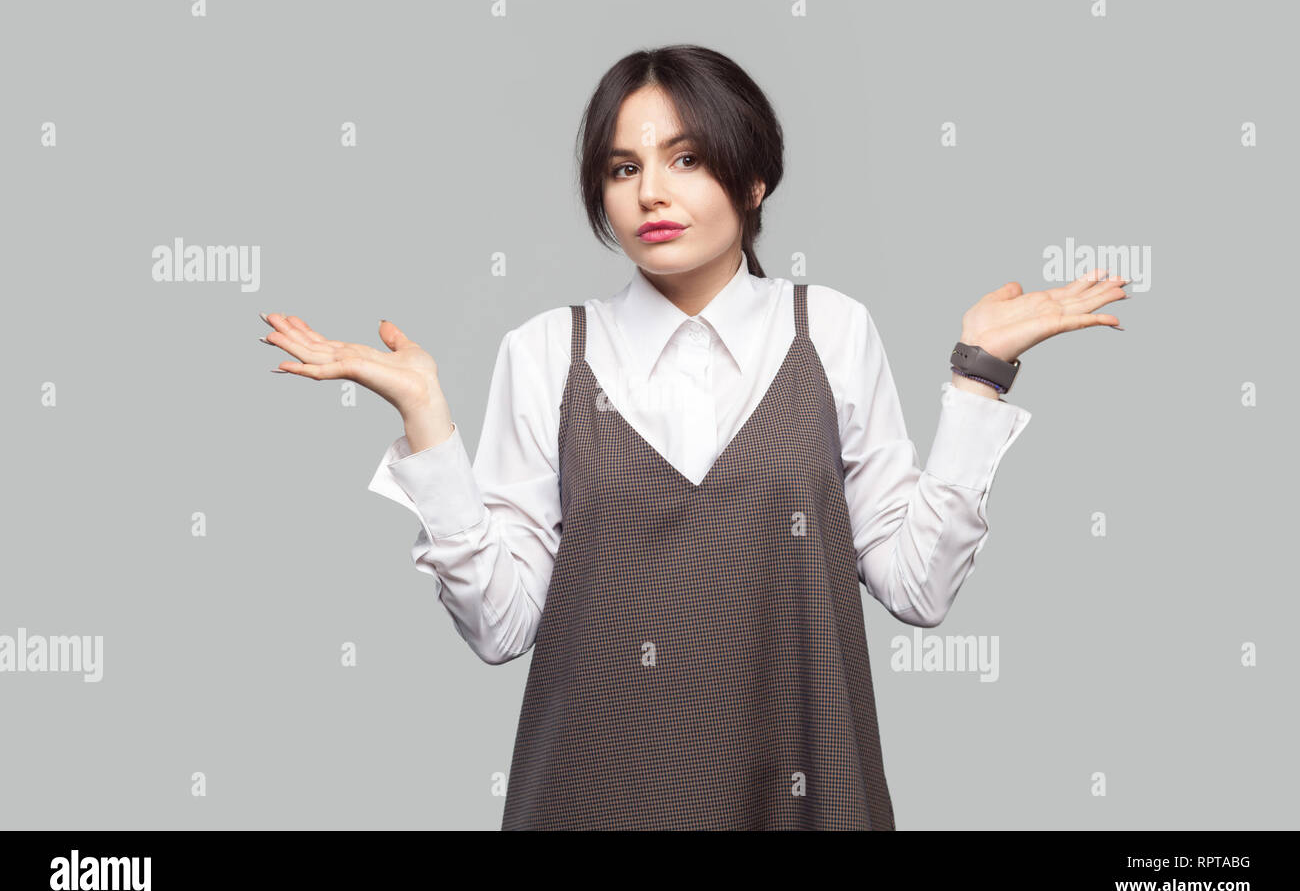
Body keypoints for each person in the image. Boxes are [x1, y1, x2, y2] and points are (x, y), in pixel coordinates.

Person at [259, 45, 1128, 830]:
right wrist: (429, 430)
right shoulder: (546, 352)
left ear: (753, 183)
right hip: (590, 798)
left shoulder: (830, 331)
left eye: (687, 159)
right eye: (622, 167)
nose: (651, 193)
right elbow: (500, 626)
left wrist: (979, 382)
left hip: (805, 789)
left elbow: (919, 586)